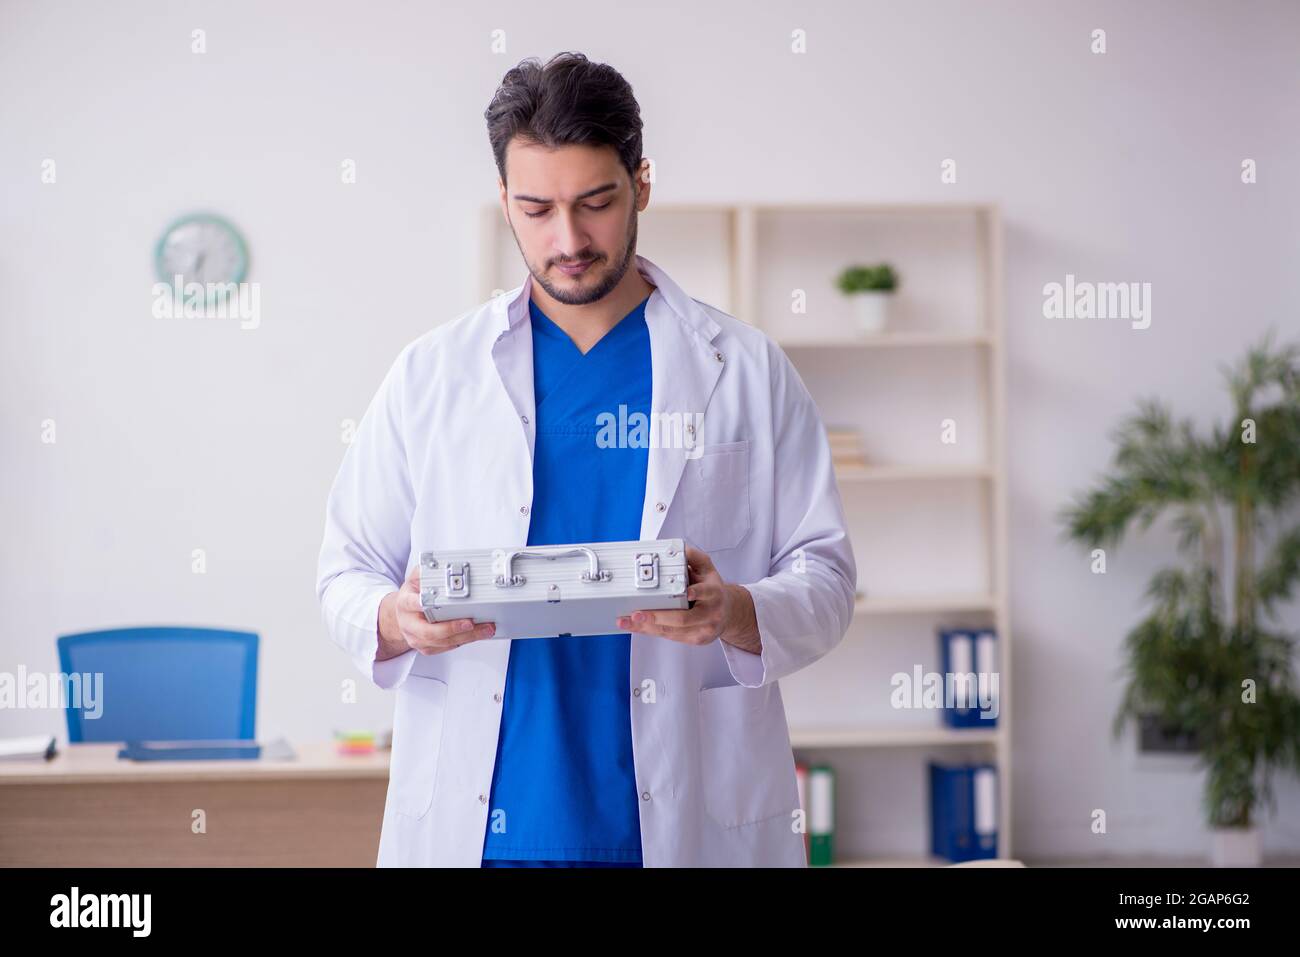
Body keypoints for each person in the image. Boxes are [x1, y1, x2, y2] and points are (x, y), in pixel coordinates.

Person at [315, 51, 856, 867]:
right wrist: (397, 617)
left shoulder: (745, 370)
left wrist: (737, 609)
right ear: (504, 202)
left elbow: (827, 575)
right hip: (484, 828)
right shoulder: (433, 375)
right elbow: (345, 572)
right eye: (535, 209)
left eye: (595, 203)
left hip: (681, 826)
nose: (567, 239)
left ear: (641, 184)